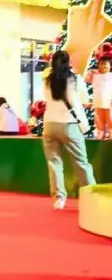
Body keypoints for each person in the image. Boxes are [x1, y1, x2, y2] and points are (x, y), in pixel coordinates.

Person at [43, 50, 96, 209]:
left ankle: (58, 199)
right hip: (69, 125)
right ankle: (91, 197)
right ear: (68, 62)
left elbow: (47, 98)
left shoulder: (47, 81)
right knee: (81, 162)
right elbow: (85, 101)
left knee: (54, 163)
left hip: (49, 124)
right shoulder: (75, 79)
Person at [84, 56, 112, 139]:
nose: (103, 66)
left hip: (109, 103)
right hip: (98, 103)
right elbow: (85, 79)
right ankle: (100, 134)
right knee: (99, 121)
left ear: (110, 66)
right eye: (101, 64)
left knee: (110, 119)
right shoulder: (94, 75)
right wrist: (90, 72)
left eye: (105, 64)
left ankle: (110, 134)